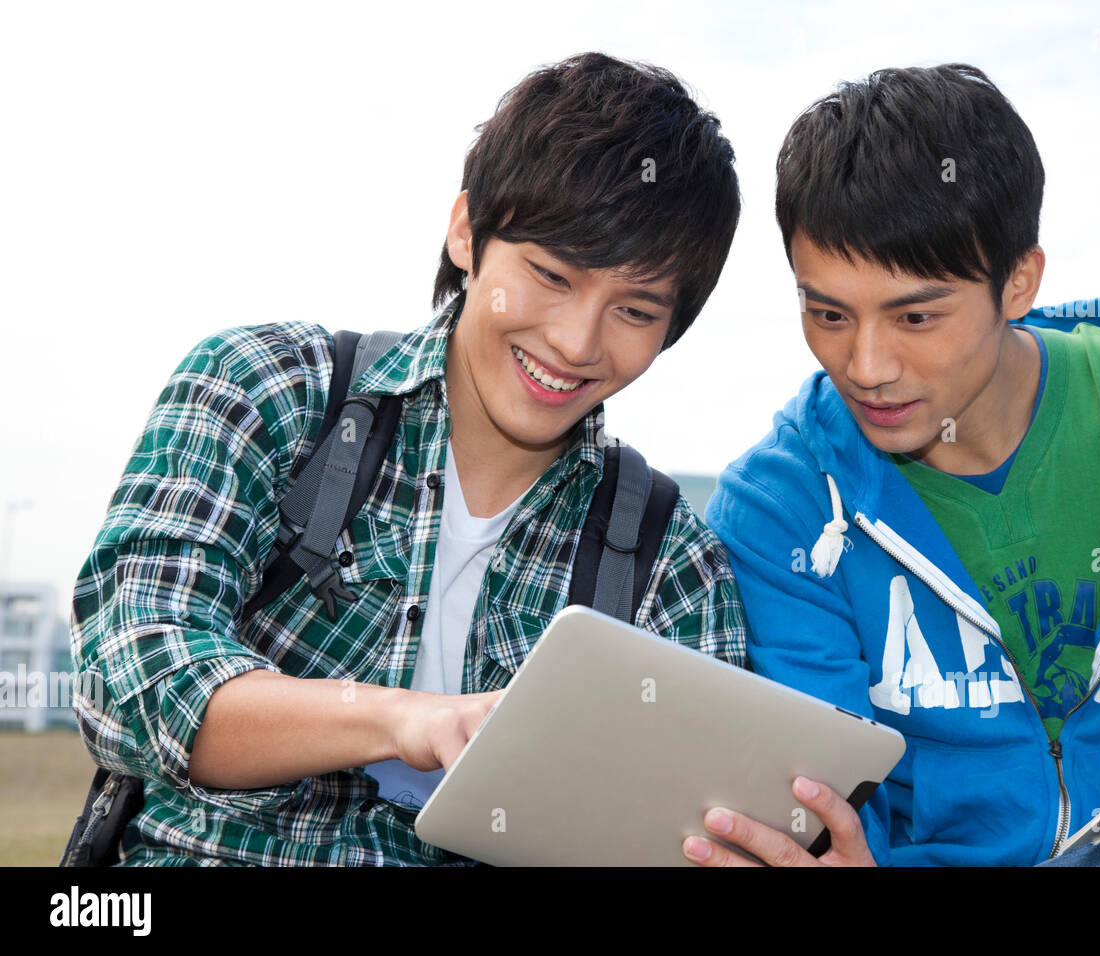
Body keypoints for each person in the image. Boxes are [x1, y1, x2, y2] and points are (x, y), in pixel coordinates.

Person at [70, 51, 748, 866]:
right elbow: (132, 684)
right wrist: (406, 719)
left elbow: (676, 822)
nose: (575, 343)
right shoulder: (267, 389)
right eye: (550, 275)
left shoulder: (672, 561)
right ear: (467, 231)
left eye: (635, 310)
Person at [688, 63, 1100, 867]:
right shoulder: (779, 508)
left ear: (1019, 282)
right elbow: (822, 809)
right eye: (827, 313)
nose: (866, 364)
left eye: (916, 315)